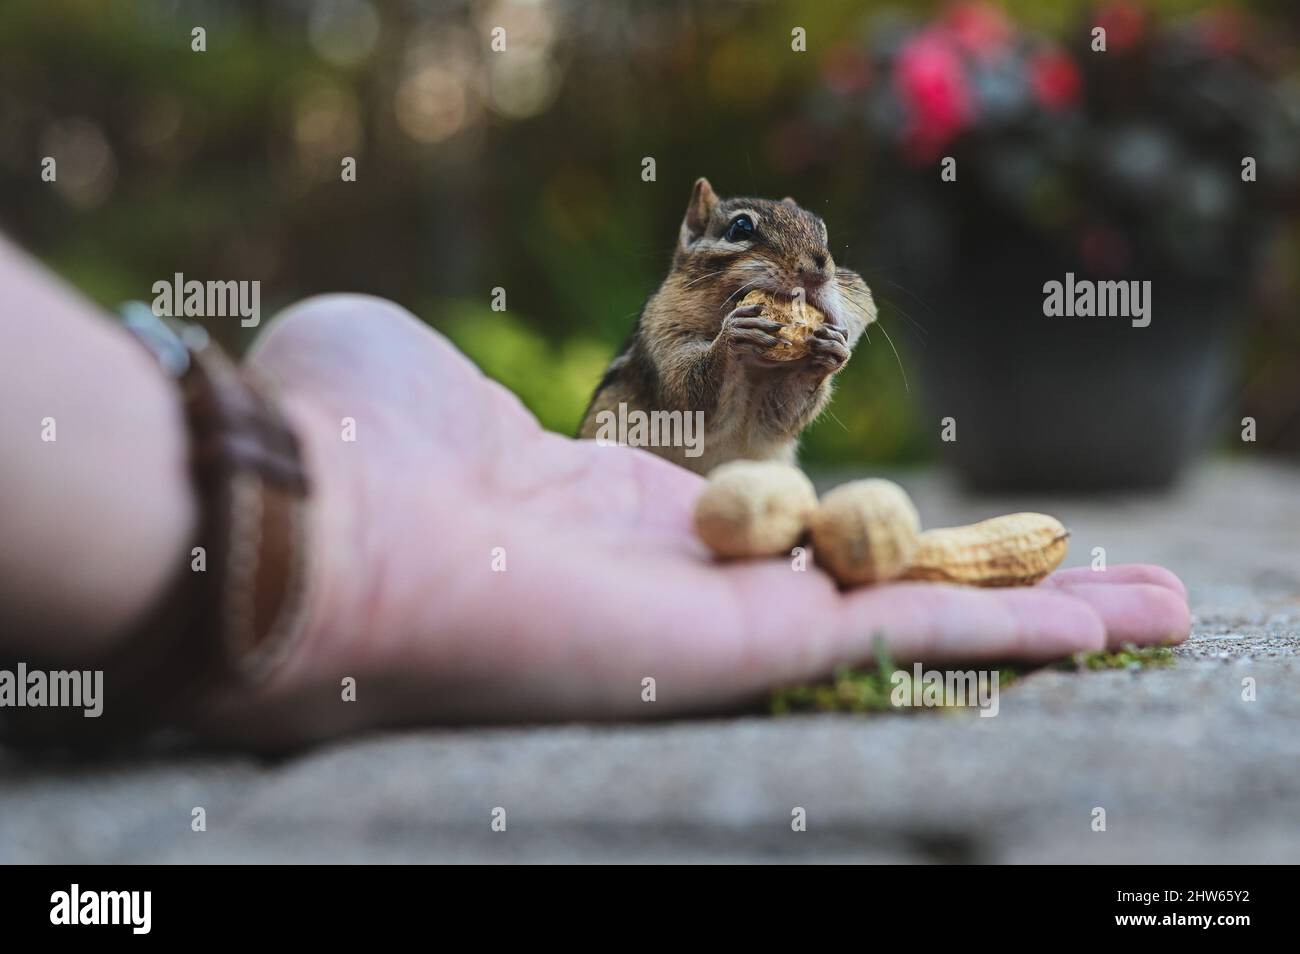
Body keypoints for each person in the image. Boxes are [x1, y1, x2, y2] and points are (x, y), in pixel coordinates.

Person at [0, 237, 1190, 747]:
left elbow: (757, 427)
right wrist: (328, 533)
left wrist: (289, 502)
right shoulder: (673, 327)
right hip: (633, 495)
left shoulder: (787, 324)